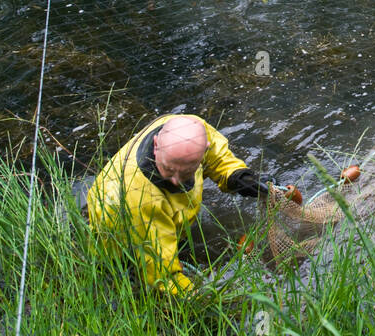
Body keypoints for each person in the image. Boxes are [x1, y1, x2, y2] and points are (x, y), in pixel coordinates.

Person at [86, 113, 272, 295]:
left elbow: (217, 157)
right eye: (169, 169)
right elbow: (161, 275)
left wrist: (239, 177)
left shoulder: (190, 127)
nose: (176, 181)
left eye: (186, 172)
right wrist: (206, 296)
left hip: (166, 224)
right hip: (127, 243)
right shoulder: (138, 199)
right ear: (157, 144)